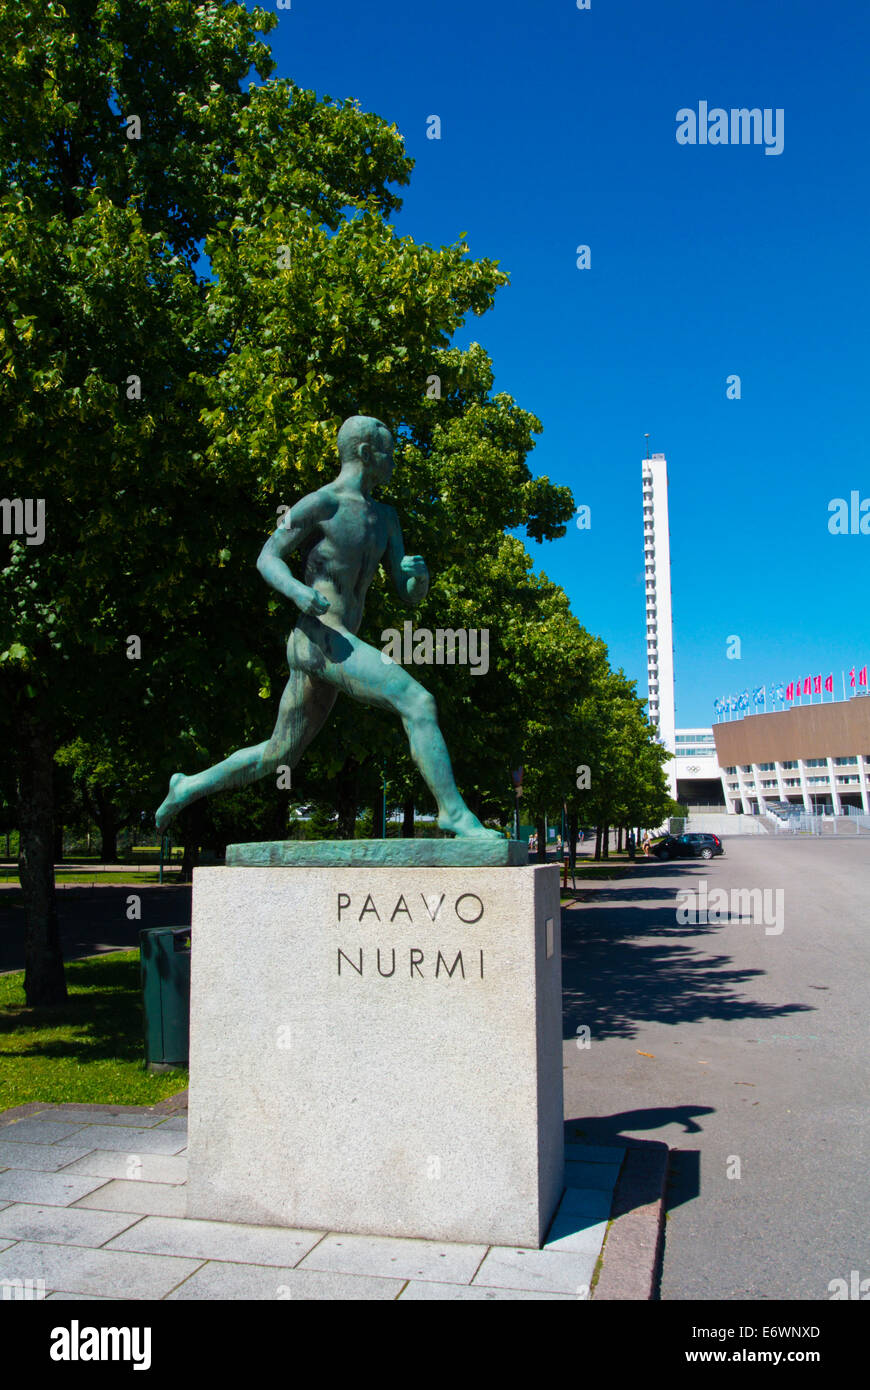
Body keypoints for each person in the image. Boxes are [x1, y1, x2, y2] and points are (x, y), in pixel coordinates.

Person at [155, 416, 500, 839]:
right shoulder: (322, 503)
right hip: (318, 638)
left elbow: (407, 592)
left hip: (341, 643)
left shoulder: (387, 518)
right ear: (366, 452)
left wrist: (419, 576)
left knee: (277, 757)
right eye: (389, 453)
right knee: (418, 701)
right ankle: (453, 813)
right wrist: (298, 592)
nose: (394, 461)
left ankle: (187, 784)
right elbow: (268, 556)